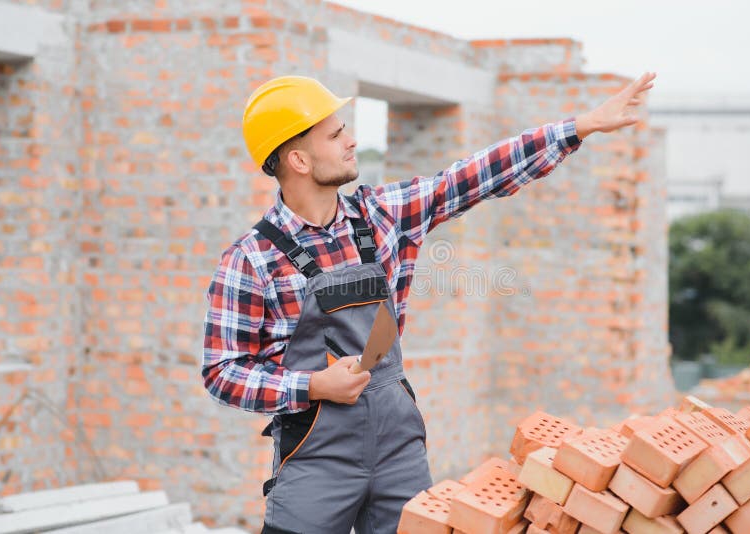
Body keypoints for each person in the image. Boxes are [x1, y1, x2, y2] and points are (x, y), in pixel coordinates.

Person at [202, 72, 656, 533]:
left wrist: (580, 126)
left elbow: (471, 176)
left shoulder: (382, 216)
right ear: (298, 159)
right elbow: (222, 372)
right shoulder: (251, 259)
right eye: (336, 134)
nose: (352, 141)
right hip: (315, 461)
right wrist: (313, 386)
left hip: (398, 450)